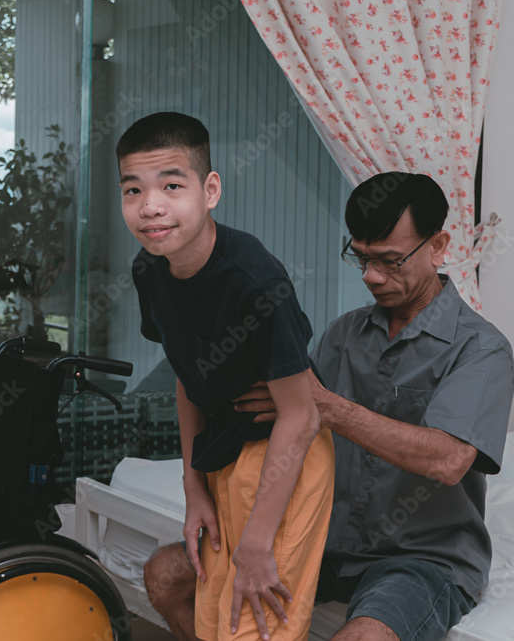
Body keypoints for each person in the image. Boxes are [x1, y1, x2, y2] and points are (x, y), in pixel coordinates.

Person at [144, 170, 514, 641]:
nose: (371, 276)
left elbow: (448, 459)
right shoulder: (344, 332)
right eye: (360, 258)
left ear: (438, 247)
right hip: (320, 539)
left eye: (391, 261)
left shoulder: (481, 349)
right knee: (164, 576)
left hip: (418, 558)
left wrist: (327, 406)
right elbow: (294, 424)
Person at [120, 111, 335, 641]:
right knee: (214, 620)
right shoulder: (151, 267)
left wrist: (259, 541)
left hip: (283, 452)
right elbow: (187, 371)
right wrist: (192, 484)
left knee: (254, 627)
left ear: (210, 189)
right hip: (221, 451)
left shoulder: (256, 282)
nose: (150, 206)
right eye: (133, 189)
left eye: (172, 184)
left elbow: (303, 415)